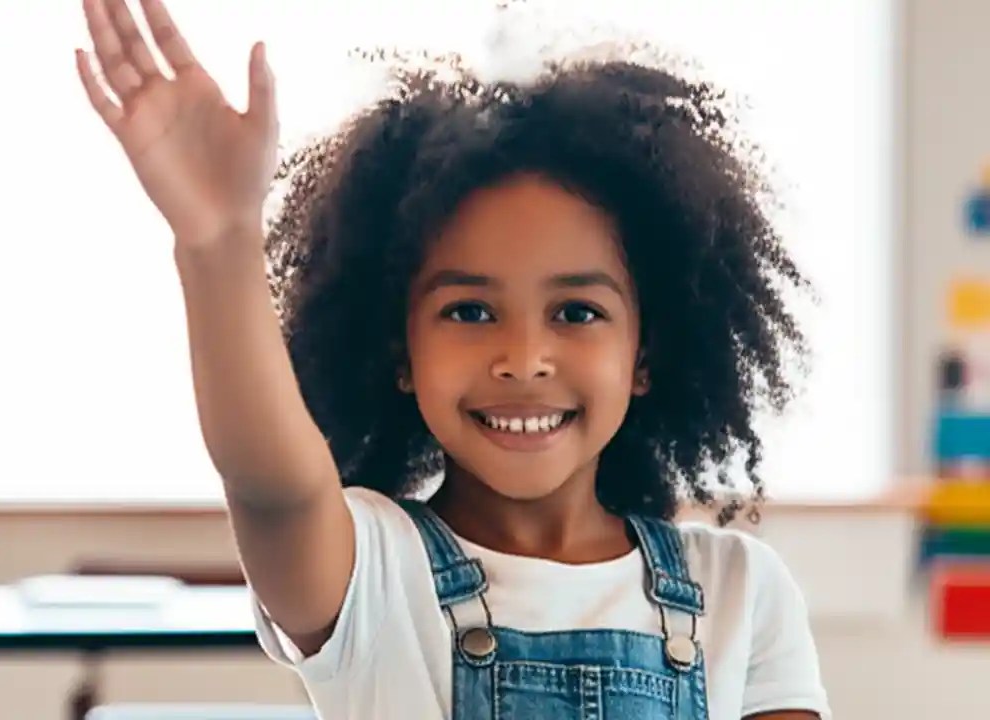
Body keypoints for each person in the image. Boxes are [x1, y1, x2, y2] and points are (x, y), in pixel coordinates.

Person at [75, 0, 831, 718]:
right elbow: (273, 488)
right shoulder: (368, 571)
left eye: (577, 312)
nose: (524, 357)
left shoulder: (739, 591)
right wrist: (218, 241)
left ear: (646, 352)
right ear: (400, 350)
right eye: (469, 311)